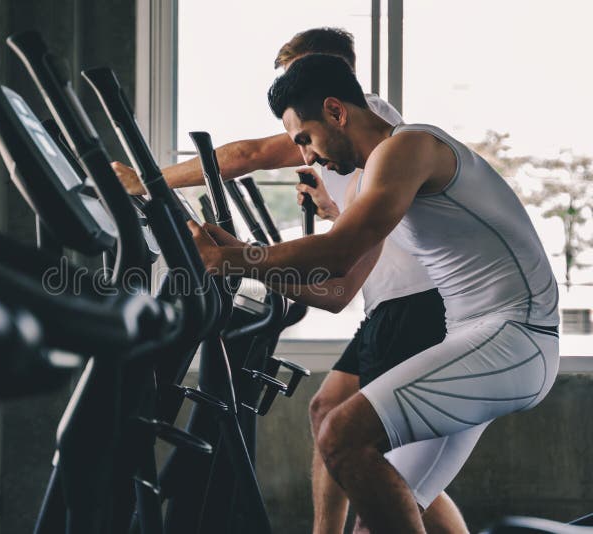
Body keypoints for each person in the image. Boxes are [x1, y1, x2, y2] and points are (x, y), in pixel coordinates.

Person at [187, 53, 560, 534]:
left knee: (341, 434)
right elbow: (337, 287)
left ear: (336, 112)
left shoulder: (410, 147)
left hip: (516, 337)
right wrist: (239, 258)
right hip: (476, 344)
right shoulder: (375, 176)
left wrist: (234, 259)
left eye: (305, 138)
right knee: (375, 519)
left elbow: (337, 252)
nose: (306, 157)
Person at [114, 28, 467, 534]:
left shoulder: (368, 117)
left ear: (329, 85)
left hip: (413, 304)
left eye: (297, 77)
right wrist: (329, 208)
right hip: (387, 303)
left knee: (388, 474)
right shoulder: (356, 144)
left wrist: (148, 181)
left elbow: (249, 155)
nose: (292, 93)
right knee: (331, 415)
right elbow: (357, 243)